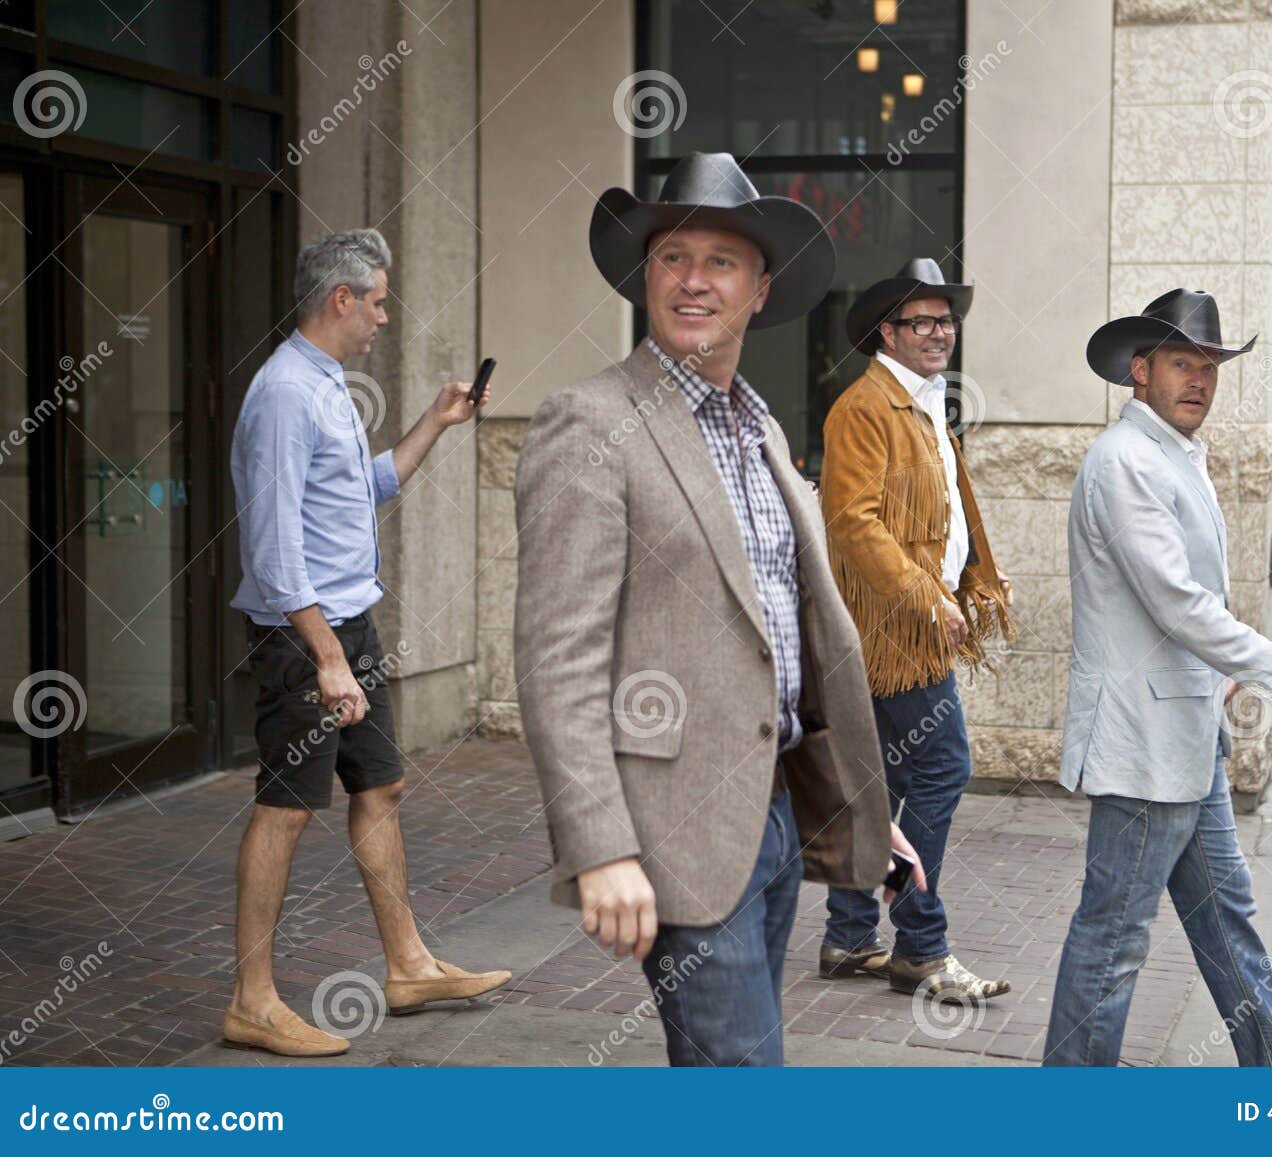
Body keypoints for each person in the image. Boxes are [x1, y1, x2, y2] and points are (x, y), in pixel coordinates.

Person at [513, 152, 924, 1067]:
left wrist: (864, 805)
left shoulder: (762, 428)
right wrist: (601, 848)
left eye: (721, 261)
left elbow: (793, 638)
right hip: (673, 830)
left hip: (774, 816)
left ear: (760, 287)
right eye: (672, 257)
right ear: (645, 276)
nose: (693, 280)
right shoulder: (589, 422)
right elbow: (558, 659)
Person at [1043, 289, 1272, 1067]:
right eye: (1185, 362)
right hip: (1144, 751)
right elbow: (1179, 605)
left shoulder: (1171, 454)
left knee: (1228, 926)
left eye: (1211, 365)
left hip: (1188, 739)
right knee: (1111, 944)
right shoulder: (1124, 463)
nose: (1201, 379)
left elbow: (1189, 605)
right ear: (1139, 370)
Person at [226, 229, 509, 1057]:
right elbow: (275, 552)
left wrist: (437, 421)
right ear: (341, 299)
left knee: (379, 789)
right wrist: (326, 656)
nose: (385, 316)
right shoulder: (284, 393)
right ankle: (250, 999)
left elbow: (366, 488)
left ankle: (409, 964)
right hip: (302, 637)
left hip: (347, 627)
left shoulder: (327, 387)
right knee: (283, 811)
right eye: (378, 300)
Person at [815, 258, 1015, 1003]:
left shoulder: (924, 402)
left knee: (883, 779)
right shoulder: (863, 407)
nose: (939, 332)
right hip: (892, 633)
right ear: (885, 332)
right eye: (921, 321)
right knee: (943, 768)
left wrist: (970, 582)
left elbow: (944, 513)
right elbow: (853, 519)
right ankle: (921, 945)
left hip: (913, 624)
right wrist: (926, 597)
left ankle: (848, 933)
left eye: (945, 319)